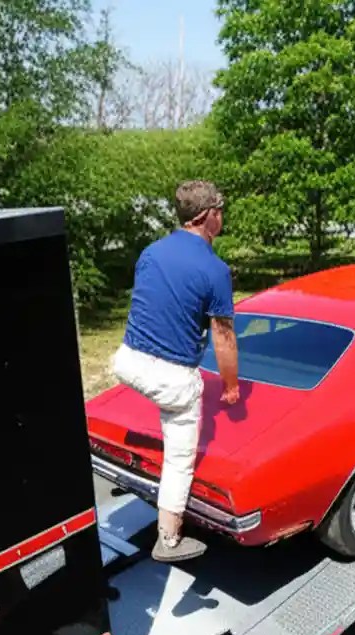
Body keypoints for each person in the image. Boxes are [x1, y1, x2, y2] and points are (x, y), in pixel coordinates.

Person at [111, 179, 240, 563]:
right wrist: (231, 388)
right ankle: (168, 539)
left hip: (128, 361)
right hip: (171, 378)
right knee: (180, 458)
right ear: (208, 216)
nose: (222, 216)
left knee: (165, 404)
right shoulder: (215, 270)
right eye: (220, 210)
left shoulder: (151, 252)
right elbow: (223, 338)